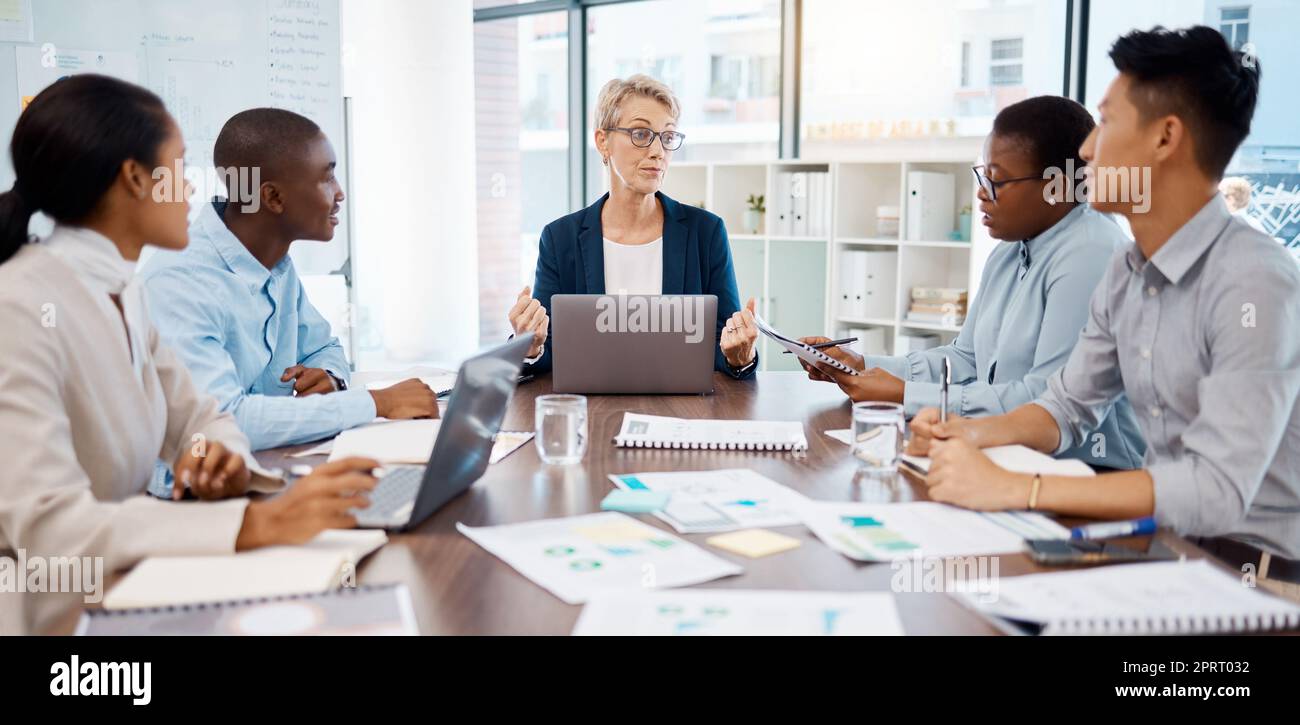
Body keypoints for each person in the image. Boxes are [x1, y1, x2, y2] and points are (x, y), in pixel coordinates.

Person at [909, 26, 1300, 599]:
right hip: (1165, 556)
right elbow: (1066, 407)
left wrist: (1018, 486)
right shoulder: (1128, 270)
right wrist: (963, 433)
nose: (1087, 151)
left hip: (1258, 585)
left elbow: (1215, 490)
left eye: (1107, 123)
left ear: (1166, 138)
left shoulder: (1254, 282)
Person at [0, 75, 380, 635]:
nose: (198, 190)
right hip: (53, 617)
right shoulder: (22, 307)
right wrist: (253, 524)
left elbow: (199, 419)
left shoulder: (121, 291)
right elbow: (52, 529)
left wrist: (218, 460)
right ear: (134, 179)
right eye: (178, 169)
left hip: (129, 586)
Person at [798, 96, 1145, 470]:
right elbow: (967, 359)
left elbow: (1044, 402)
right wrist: (861, 365)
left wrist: (906, 394)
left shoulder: (1090, 254)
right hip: (1011, 458)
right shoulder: (1012, 251)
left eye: (997, 180)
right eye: (983, 175)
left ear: (1057, 186)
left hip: (1092, 472)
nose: (982, 192)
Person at [140, 109, 437, 479]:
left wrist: (331, 377)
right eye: (327, 177)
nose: (340, 192)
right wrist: (375, 402)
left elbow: (323, 347)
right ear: (274, 198)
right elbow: (226, 421)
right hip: (193, 501)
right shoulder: (179, 283)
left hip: (275, 467)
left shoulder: (274, 263)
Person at [508, 75, 759, 379]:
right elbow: (548, 353)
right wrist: (530, 345)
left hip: (681, 413)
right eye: (641, 134)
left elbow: (726, 347)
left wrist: (739, 356)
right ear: (603, 141)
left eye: (667, 137)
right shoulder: (560, 238)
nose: (658, 152)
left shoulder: (705, 233)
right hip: (594, 414)